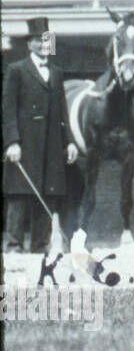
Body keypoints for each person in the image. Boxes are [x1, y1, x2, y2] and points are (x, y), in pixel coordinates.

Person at [3, 17, 77, 253]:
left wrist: (71, 142)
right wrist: (12, 142)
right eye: (37, 40)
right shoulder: (16, 70)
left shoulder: (56, 73)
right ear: (29, 44)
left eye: (46, 40)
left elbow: (63, 111)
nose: (42, 44)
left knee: (46, 195)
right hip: (25, 143)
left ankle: (38, 248)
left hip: (52, 144)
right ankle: (14, 247)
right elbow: (8, 109)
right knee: (20, 194)